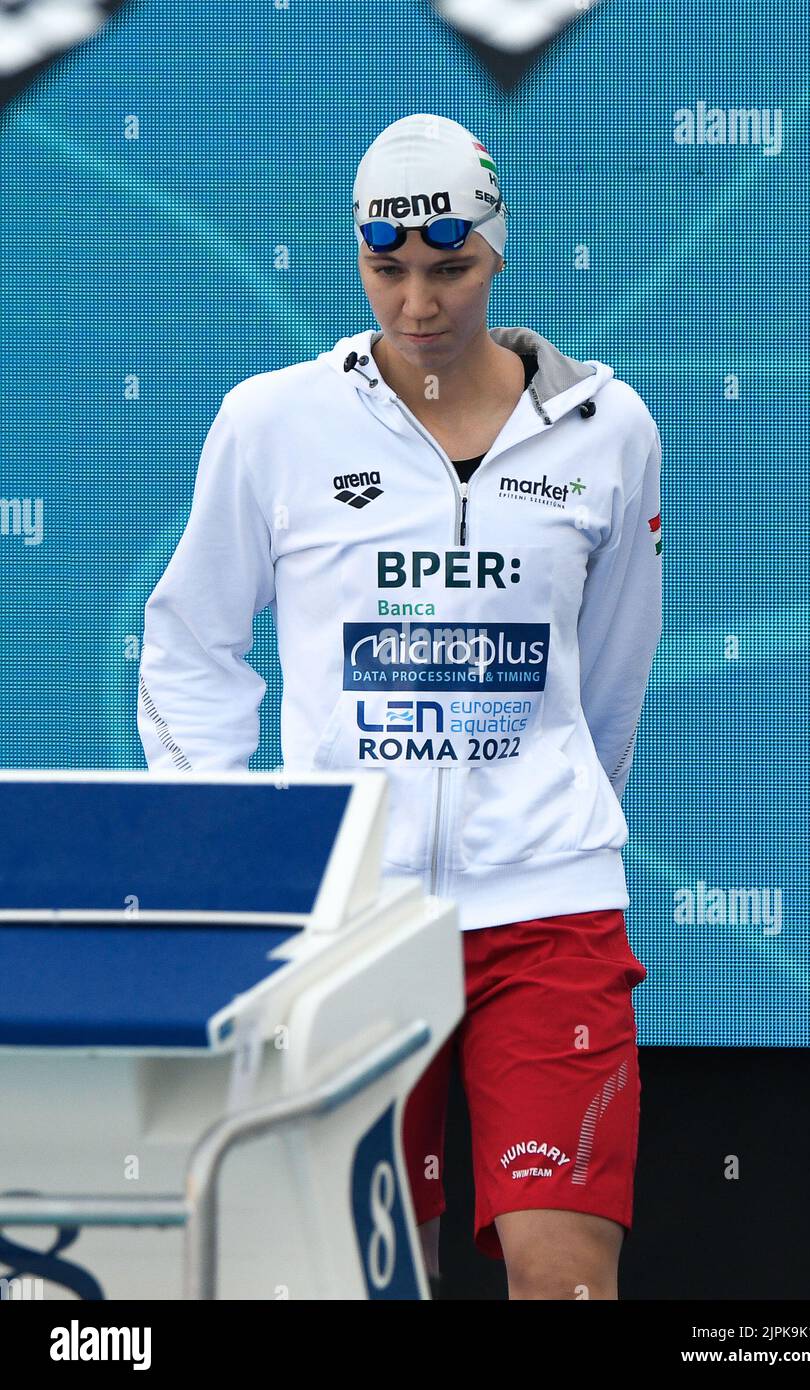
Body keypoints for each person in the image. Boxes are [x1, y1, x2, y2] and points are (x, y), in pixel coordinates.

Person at [137, 112, 662, 1301]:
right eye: (388, 269)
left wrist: (549, 817)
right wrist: (234, 847)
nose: (417, 302)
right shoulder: (272, 423)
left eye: (448, 267)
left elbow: (612, 672)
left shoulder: (609, 432)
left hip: (548, 910)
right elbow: (189, 640)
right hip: (350, 920)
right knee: (362, 1279)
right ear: (358, 255)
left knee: (565, 1273)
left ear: (498, 249)